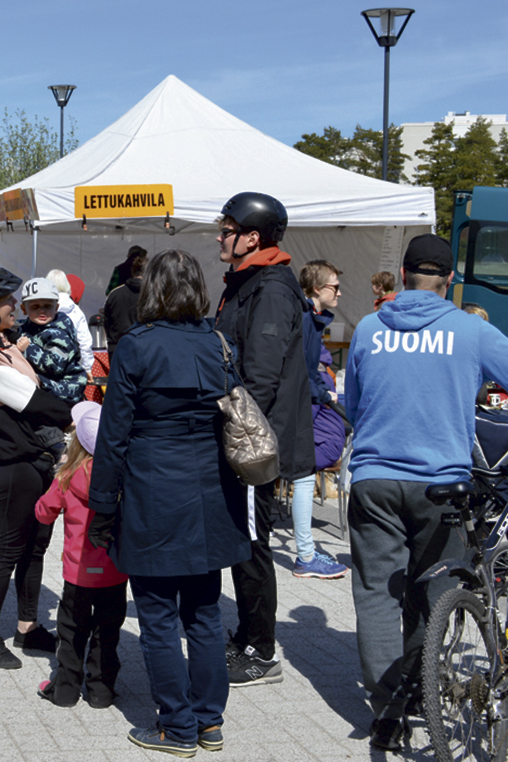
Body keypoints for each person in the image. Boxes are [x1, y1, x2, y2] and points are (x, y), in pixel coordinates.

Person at [344, 234, 508, 750]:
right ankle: (422, 693)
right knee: (433, 590)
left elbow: (354, 402)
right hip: (443, 481)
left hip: (374, 477)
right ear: (450, 278)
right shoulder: (469, 331)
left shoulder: (370, 328)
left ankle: (387, 710)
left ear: (404, 273)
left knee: (376, 594)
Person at [88, 248, 251, 756]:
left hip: (153, 488)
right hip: (211, 490)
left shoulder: (136, 346)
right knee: (203, 613)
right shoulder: (218, 343)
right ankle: (208, 721)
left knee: (158, 614)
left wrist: (102, 506)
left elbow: (112, 438)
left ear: (151, 289)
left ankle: (177, 727)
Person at [0, 266, 76, 670]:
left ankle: (27, 626)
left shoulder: (3, 343)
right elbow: (31, 400)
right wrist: (79, 416)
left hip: (39, 457)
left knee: (36, 545)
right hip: (16, 462)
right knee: (9, 548)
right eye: (6, 301)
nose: (13, 306)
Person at [213, 191, 313, 688]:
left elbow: (260, 378)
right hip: (245, 437)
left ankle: (260, 652)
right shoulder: (247, 282)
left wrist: (228, 429)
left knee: (252, 545)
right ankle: (247, 635)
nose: (219, 235)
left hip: (254, 445)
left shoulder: (270, 289)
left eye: (227, 228)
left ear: (252, 237)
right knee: (243, 543)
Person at [34, 401, 127, 709]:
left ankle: (65, 690)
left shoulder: (67, 476)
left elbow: (43, 513)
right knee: (107, 631)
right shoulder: (123, 480)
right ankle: (101, 691)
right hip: (115, 571)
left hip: (77, 573)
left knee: (71, 631)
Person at [292, 260, 349, 579]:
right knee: (301, 476)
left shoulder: (310, 318)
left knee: (300, 477)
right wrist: (325, 395)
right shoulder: (305, 320)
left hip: (302, 406)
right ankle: (306, 555)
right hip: (299, 408)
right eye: (334, 287)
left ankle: (306, 553)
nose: (339, 292)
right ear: (317, 289)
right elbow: (301, 369)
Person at [16, 277, 88, 405]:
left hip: (64, 393)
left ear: (57, 308)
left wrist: (28, 348)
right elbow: (20, 329)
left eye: (48, 306)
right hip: (47, 392)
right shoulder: (30, 326)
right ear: (23, 309)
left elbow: (55, 366)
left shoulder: (59, 333)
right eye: (35, 306)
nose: (42, 310)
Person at [46, 269, 94, 375]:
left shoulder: (41, 309)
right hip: (71, 366)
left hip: (45, 365)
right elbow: (84, 342)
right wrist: (86, 368)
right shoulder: (76, 311)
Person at [101, 254, 146, 356]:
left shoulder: (114, 294)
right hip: (144, 349)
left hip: (118, 349)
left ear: (132, 271)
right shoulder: (153, 295)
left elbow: (107, 323)